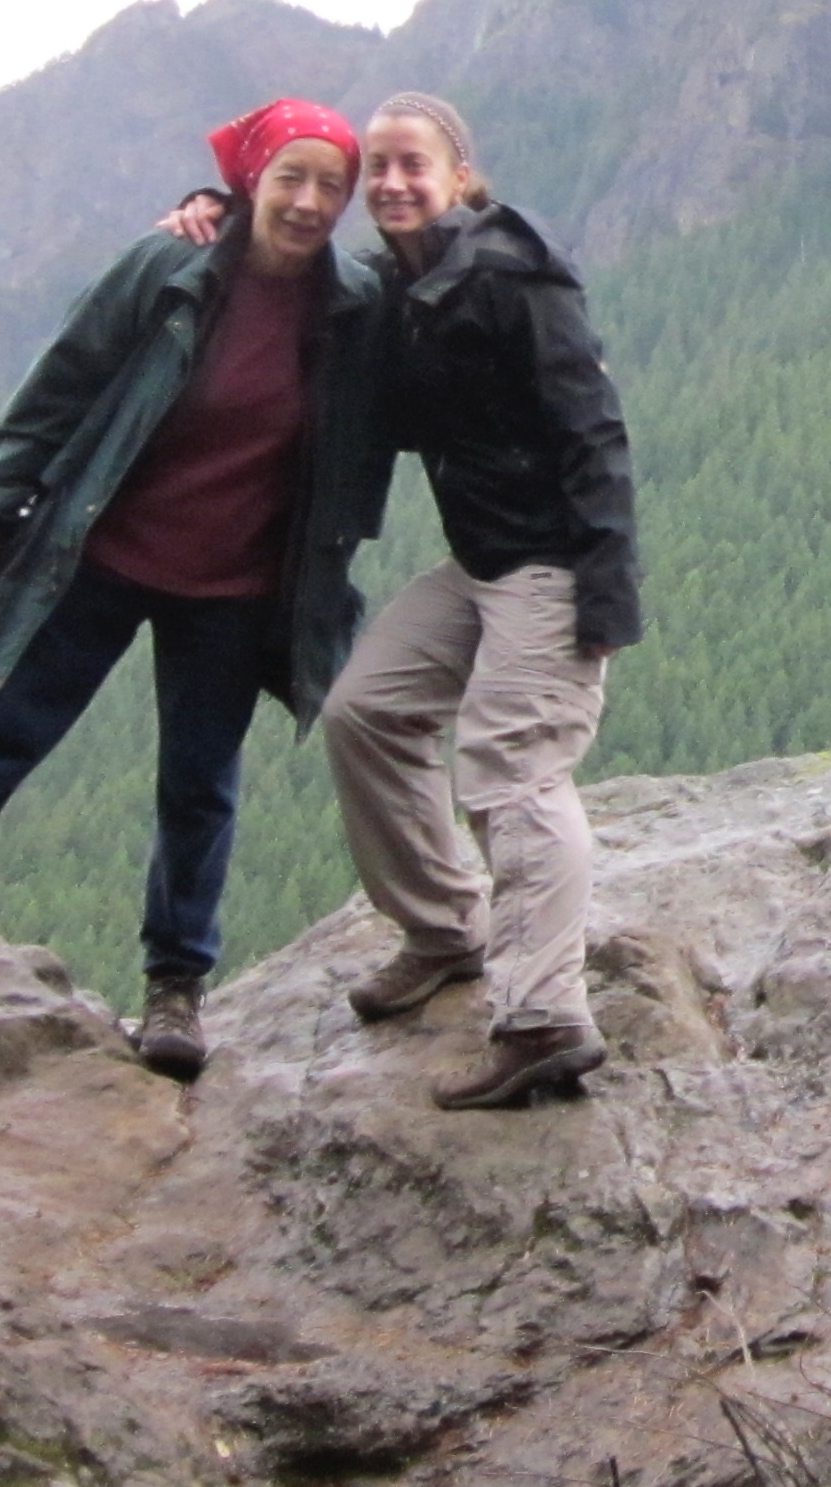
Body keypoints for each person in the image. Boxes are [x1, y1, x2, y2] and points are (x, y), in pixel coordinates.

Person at [0, 100, 390, 1081]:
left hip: (235, 588)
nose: (310, 202)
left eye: (330, 186)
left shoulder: (356, 308)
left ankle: (176, 990)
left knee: (198, 785)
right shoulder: (165, 268)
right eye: (291, 178)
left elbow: (438, 328)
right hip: (97, 554)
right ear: (251, 182)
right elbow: (61, 386)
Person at [178, 92, 640, 1108]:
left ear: (459, 178)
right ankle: (444, 931)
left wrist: (604, 591)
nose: (390, 183)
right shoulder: (401, 286)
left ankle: (543, 1018)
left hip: (551, 565)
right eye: (375, 169)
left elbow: (591, 428)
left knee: (512, 772)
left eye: (411, 166)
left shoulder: (513, 272)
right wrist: (217, 213)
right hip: (481, 564)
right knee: (367, 712)